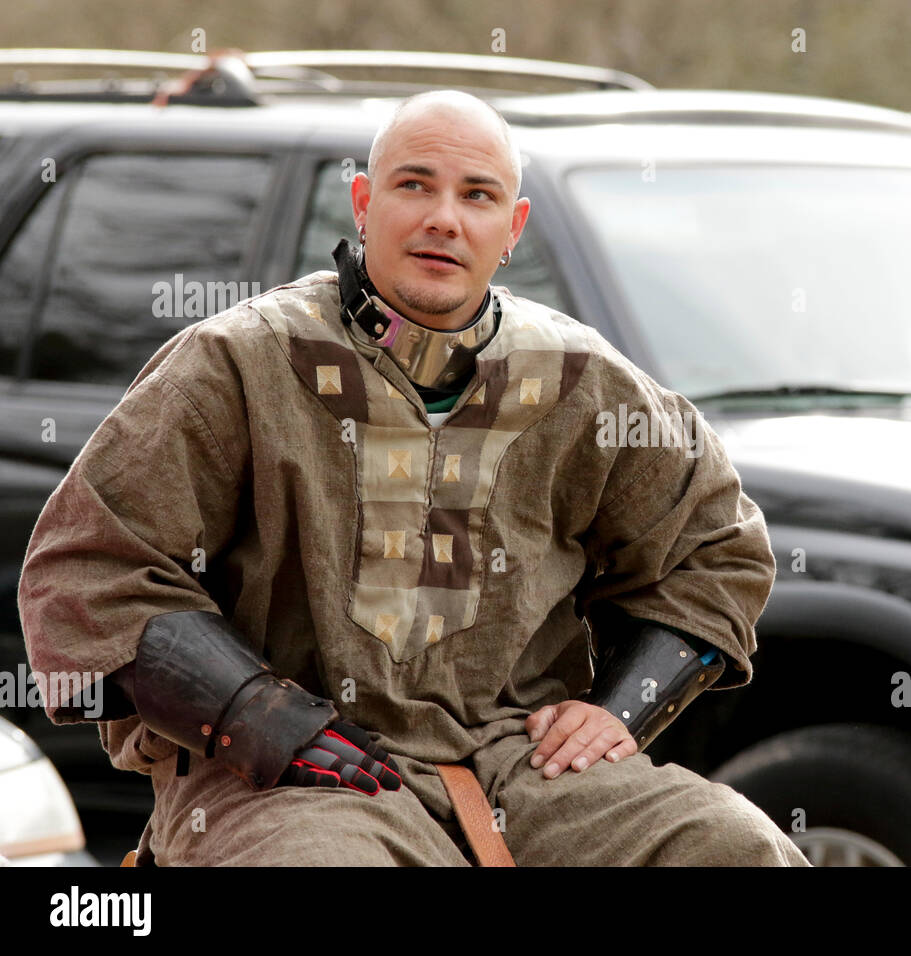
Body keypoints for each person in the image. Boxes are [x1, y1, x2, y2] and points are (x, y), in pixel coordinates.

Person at [18, 89, 809, 867]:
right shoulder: (238, 361)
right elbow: (90, 569)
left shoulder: (582, 378)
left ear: (512, 229)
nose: (445, 218)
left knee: (735, 847)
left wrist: (618, 716)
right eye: (414, 185)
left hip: (524, 764)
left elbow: (717, 547)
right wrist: (258, 715)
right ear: (362, 203)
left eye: (478, 195)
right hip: (289, 773)